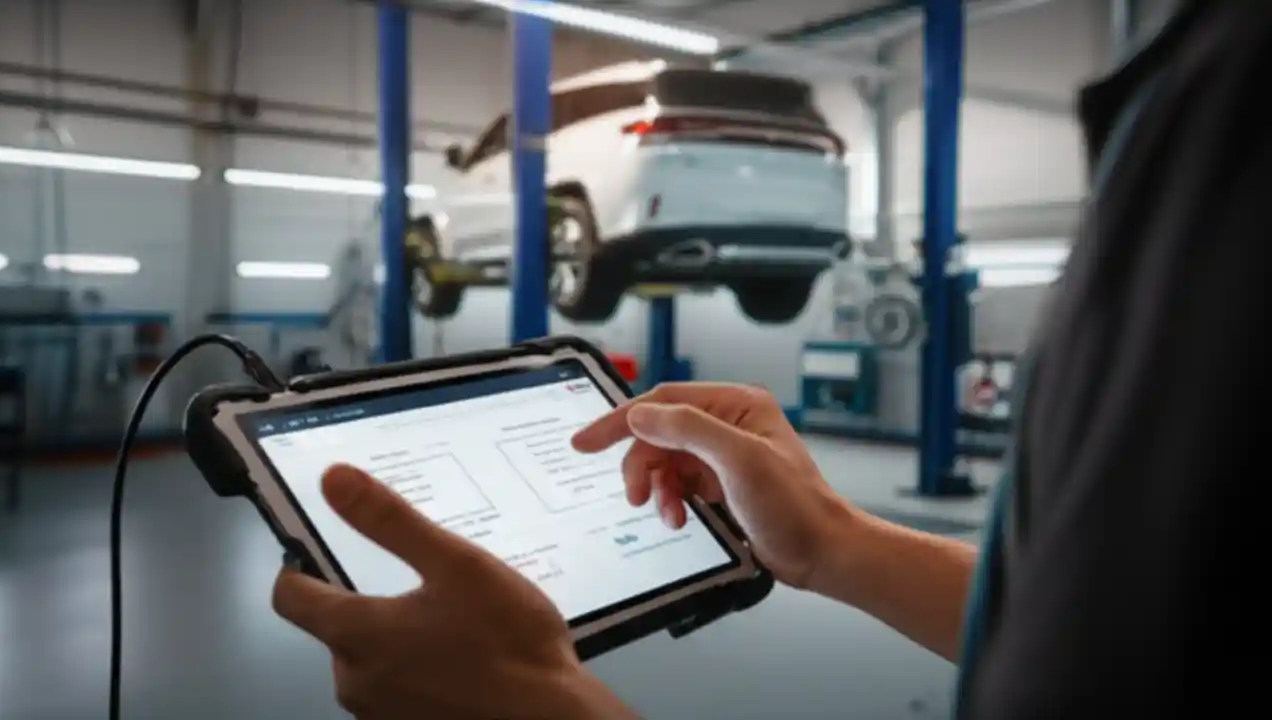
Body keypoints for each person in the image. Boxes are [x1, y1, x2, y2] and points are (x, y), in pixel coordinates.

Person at [271, 2, 1267, 717]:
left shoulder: (1229, 102)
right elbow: (1118, 638)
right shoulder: (1207, 78)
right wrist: (834, 540)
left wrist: (535, 707)